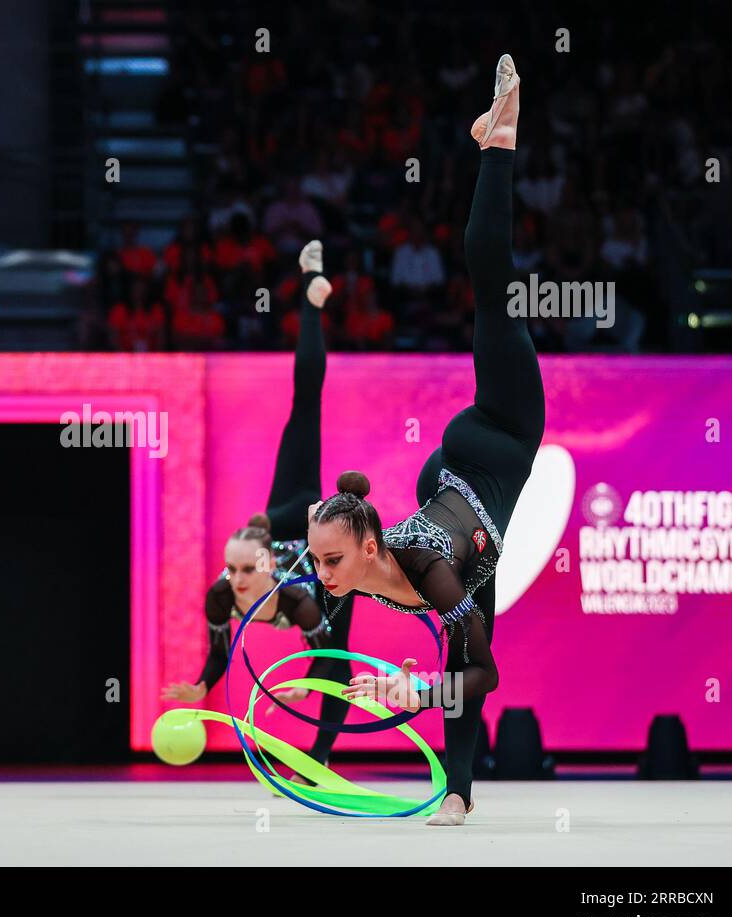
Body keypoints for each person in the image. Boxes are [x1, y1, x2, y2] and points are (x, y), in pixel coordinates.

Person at [306, 55, 544, 826]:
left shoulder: (422, 570)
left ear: (369, 548)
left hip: (503, 431)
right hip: (454, 488)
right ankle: (459, 794)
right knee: (464, 619)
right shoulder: (352, 570)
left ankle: (497, 140)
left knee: (489, 284)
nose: (322, 570)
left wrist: (415, 691)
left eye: (331, 558)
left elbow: (486, 672)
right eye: (317, 557)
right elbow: (312, 637)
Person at [164, 240, 356, 783]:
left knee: (305, 407)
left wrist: (309, 680)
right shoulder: (223, 595)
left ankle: (319, 757)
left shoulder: (295, 597)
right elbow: (220, 652)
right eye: (233, 571)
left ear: (269, 565)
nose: (237, 580)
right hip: (316, 543)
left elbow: (327, 662)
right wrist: (201, 686)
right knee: (305, 409)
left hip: (313, 534)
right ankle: (312, 294)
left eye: (247, 570)